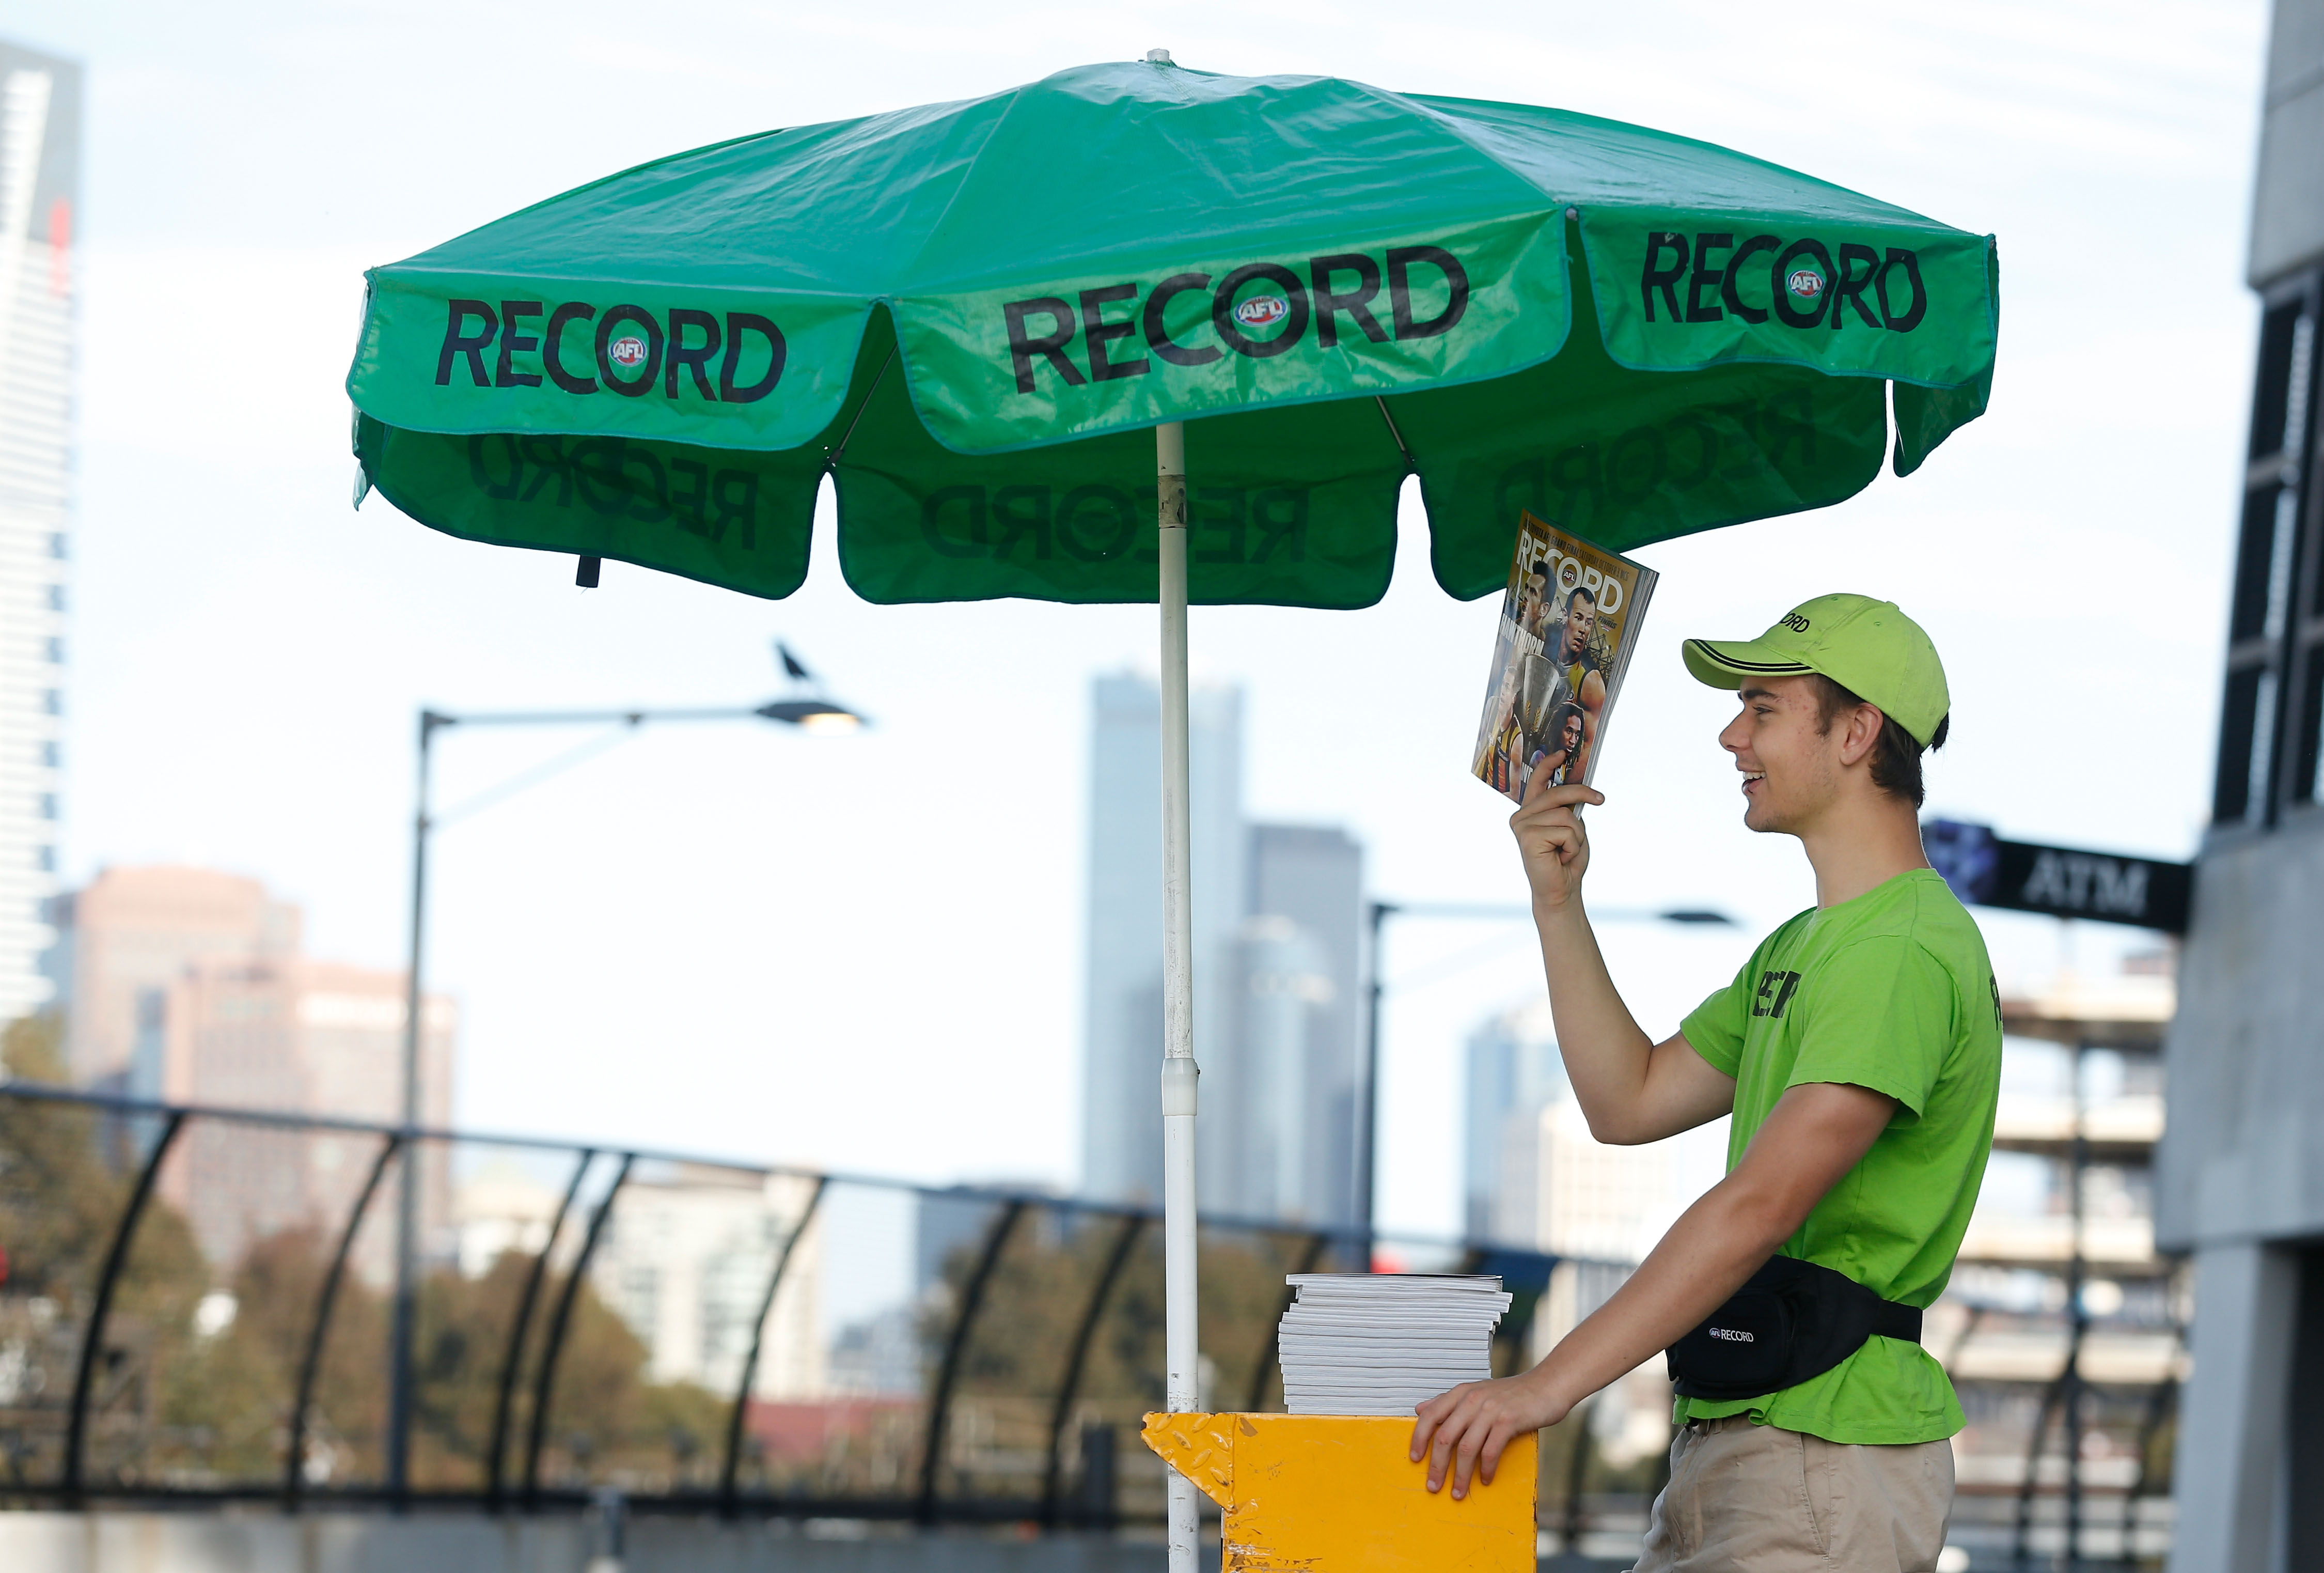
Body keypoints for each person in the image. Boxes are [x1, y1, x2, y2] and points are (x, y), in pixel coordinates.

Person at [1410, 594, 2001, 1573]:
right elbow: (1628, 1098)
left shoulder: (1899, 951)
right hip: (1744, 1444)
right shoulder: (1809, 946)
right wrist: (1559, 904)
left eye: (1763, 708)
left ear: (1858, 732)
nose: (1732, 735)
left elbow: (1761, 1203)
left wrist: (1546, 1386)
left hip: (1826, 1453)